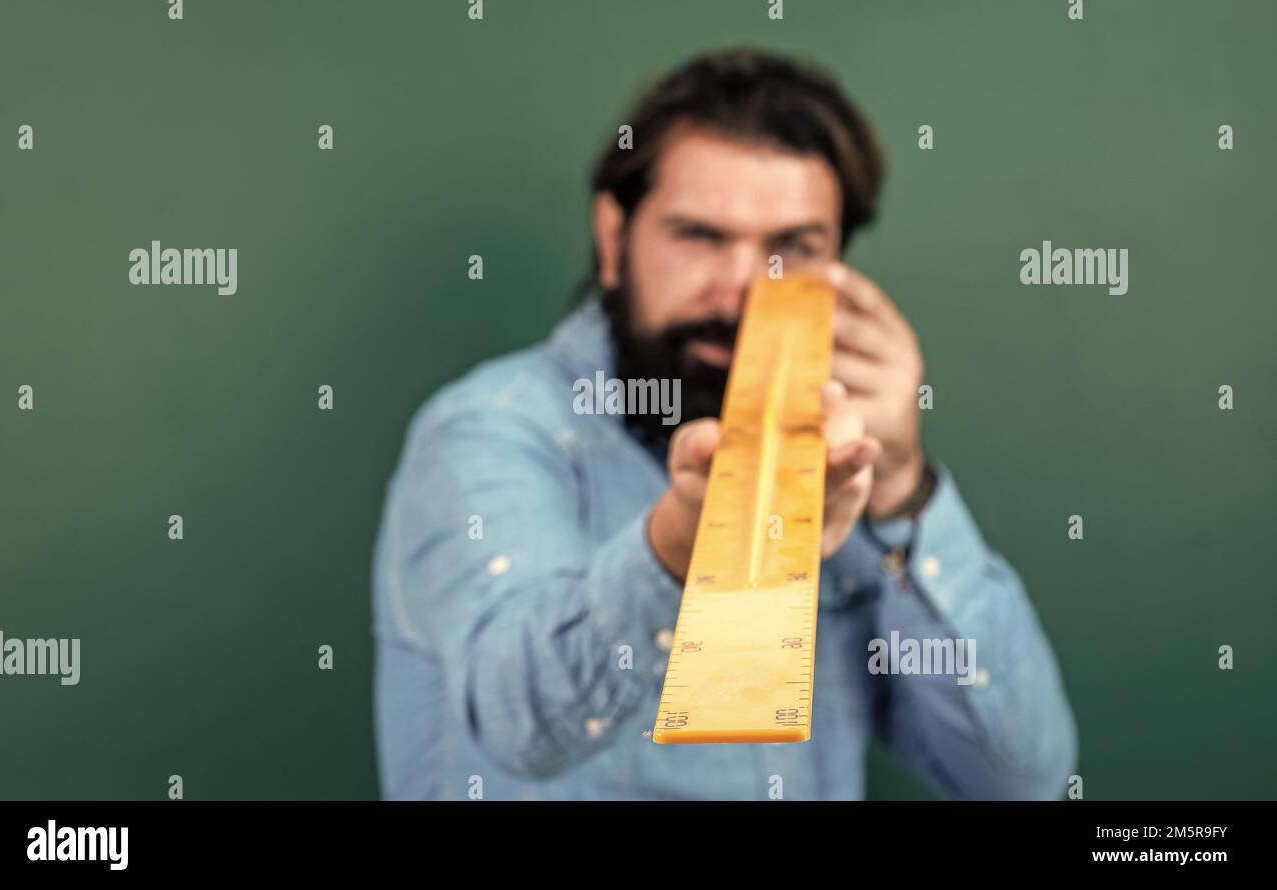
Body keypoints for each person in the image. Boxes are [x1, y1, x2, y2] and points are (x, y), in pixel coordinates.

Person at [372, 48, 1078, 800]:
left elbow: (1021, 778)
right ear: (614, 240)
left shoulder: (841, 462)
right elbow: (522, 723)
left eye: (791, 248)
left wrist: (903, 494)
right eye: (700, 236)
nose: (744, 289)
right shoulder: (490, 432)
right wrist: (682, 543)